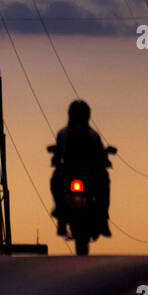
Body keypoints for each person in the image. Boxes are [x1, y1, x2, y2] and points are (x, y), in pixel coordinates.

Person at [50, 100, 111, 238]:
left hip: (70, 174)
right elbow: (101, 155)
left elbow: (57, 154)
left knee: (55, 181)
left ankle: (61, 217)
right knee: (104, 183)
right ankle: (103, 219)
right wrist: (105, 160)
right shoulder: (93, 135)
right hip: (87, 174)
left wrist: (55, 160)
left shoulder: (63, 133)